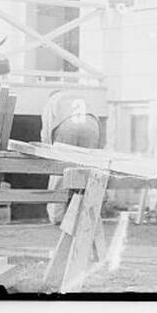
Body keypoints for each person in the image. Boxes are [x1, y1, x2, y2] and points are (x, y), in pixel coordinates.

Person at [41, 89, 102, 223]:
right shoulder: (81, 96)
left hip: (66, 125)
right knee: (87, 171)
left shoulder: (52, 100)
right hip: (91, 125)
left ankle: (57, 217)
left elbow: (46, 133)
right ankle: (86, 217)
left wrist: (48, 151)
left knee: (60, 172)